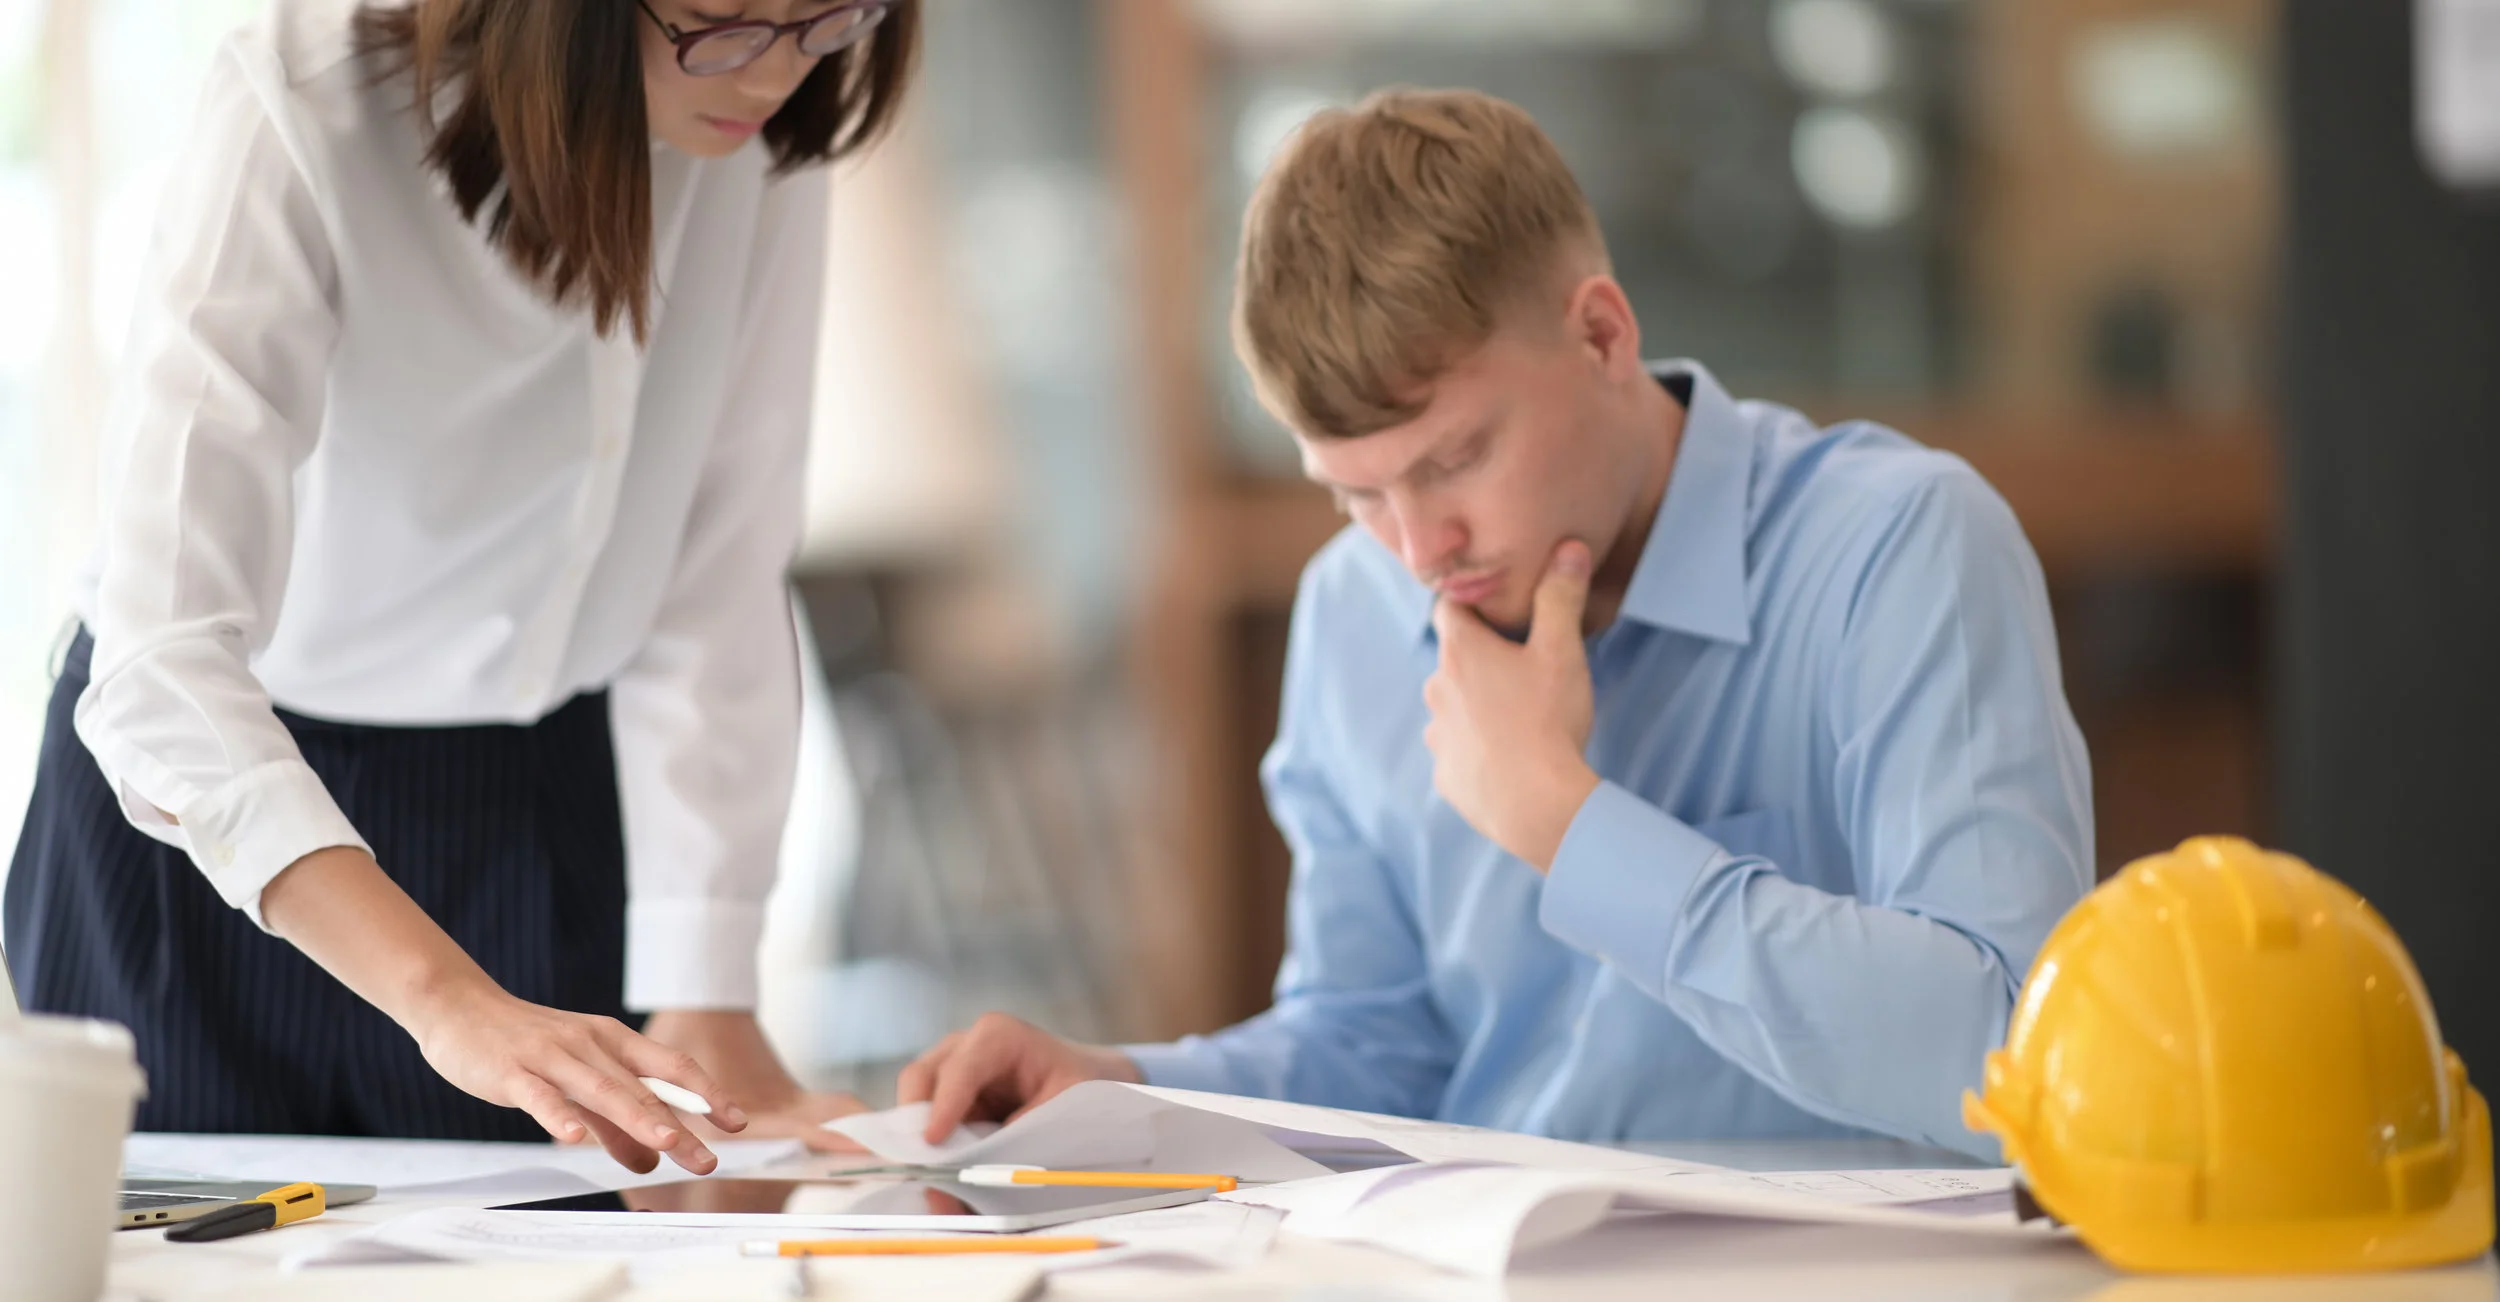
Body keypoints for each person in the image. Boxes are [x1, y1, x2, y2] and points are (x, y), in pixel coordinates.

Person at [898, 88, 2094, 1158]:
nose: (1419, 551)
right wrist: (1117, 1095)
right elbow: (1375, 1055)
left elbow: (2003, 1054)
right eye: (1355, 493)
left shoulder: (1900, 547)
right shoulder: (1351, 609)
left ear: (1600, 336)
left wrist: (1567, 825)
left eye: (1456, 458)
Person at [2, 0, 918, 1175]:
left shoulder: (755, 127)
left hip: (535, 794)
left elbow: (718, 564)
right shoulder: (307, 104)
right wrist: (442, 997)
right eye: (723, 24)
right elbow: (157, 657)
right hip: (207, 828)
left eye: (831, 20)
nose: (779, 73)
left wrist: (709, 994)